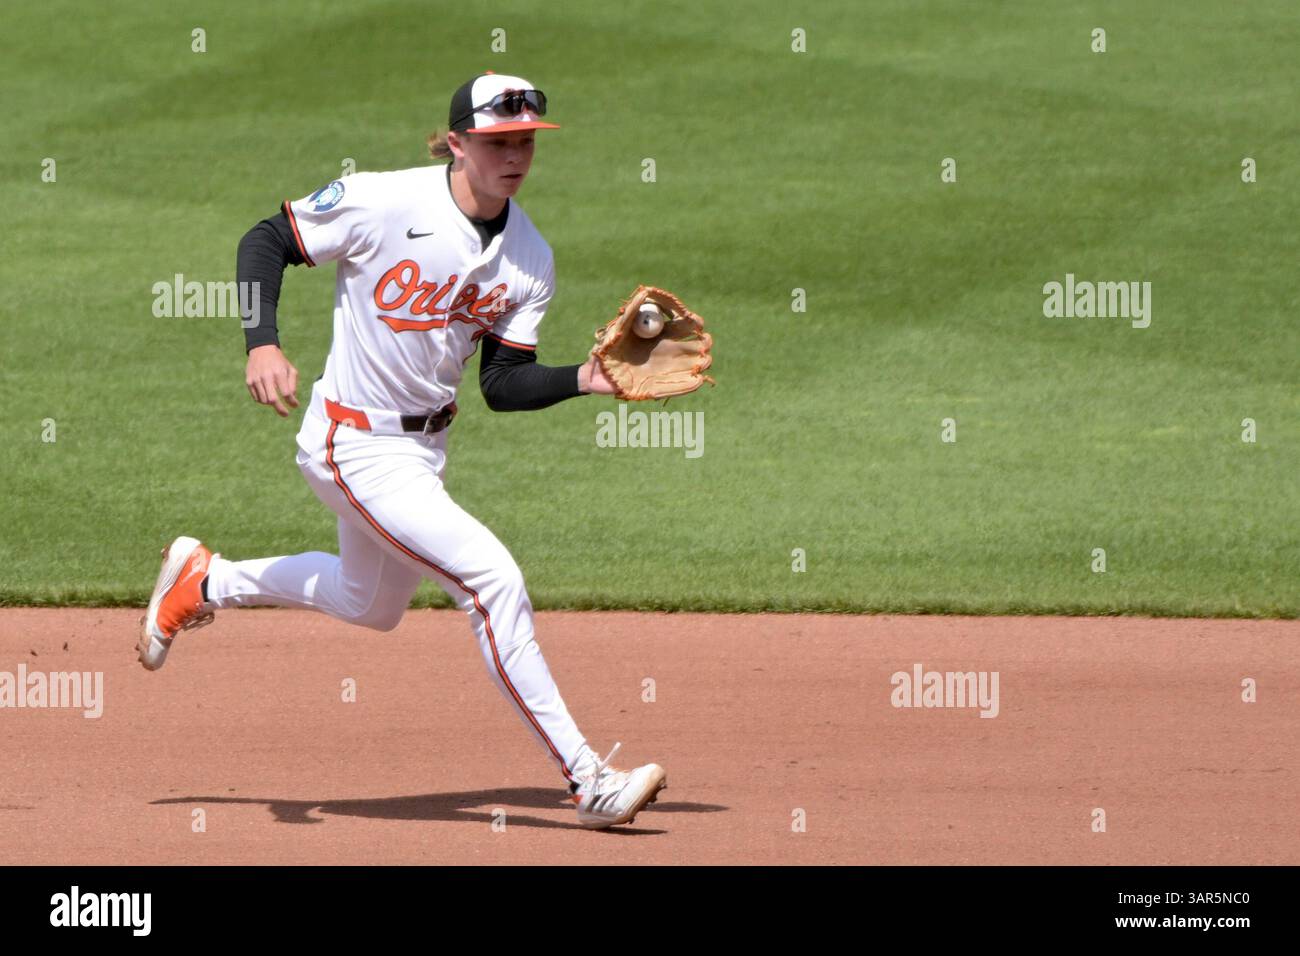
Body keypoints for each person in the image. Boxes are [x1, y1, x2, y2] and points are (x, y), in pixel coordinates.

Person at [137, 71, 666, 830]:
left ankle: (204, 579)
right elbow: (266, 240)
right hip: (350, 441)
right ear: (457, 142)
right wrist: (262, 345)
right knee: (492, 582)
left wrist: (589, 379)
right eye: (496, 142)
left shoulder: (530, 260)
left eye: (525, 142)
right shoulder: (384, 201)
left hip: (422, 453)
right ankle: (587, 780)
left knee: (370, 603)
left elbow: (504, 383)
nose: (514, 155)